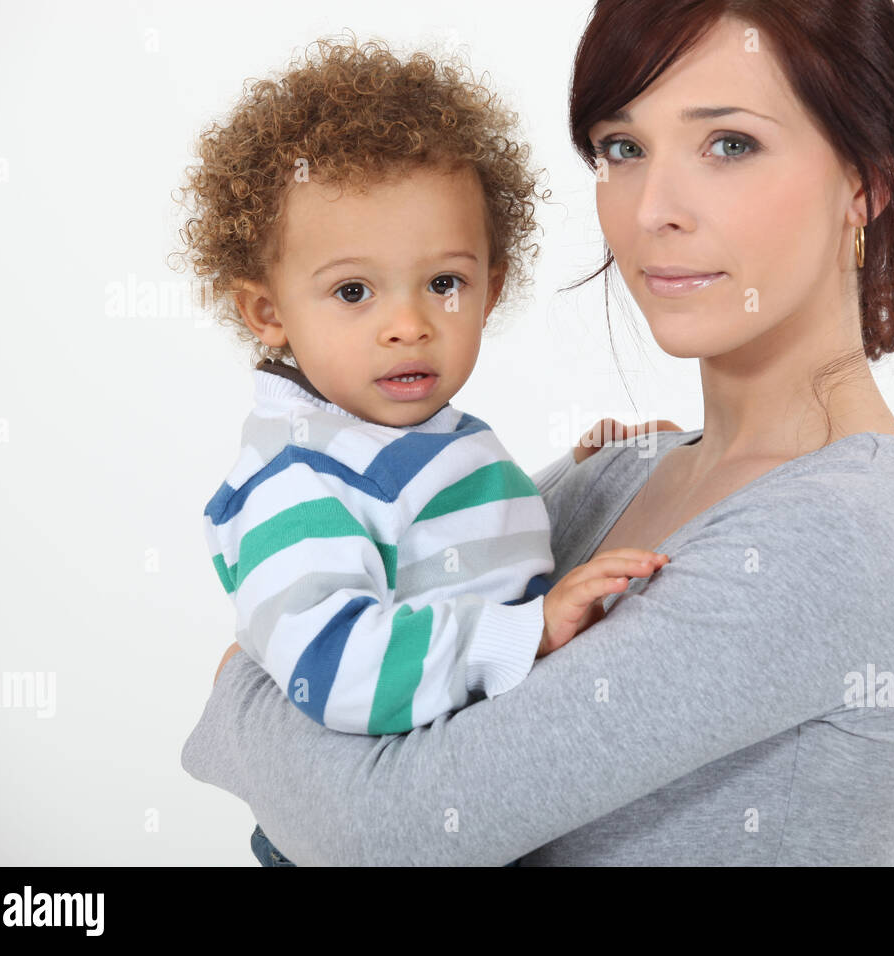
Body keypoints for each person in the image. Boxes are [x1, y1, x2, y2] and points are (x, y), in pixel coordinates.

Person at [182, 0, 894, 865]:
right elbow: (377, 637)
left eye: (729, 145)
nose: (653, 211)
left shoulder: (850, 534)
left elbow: (384, 831)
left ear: (864, 179)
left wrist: (238, 696)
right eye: (623, 149)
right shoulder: (614, 474)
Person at [174, 36, 667, 865]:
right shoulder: (295, 481)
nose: (407, 323)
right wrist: (524, 635)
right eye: (353, 291)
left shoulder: (409, 437)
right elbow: (335, 667)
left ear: (491, 288)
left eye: (443, 283)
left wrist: (576, 474)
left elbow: (448, 543)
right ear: (268, 313)